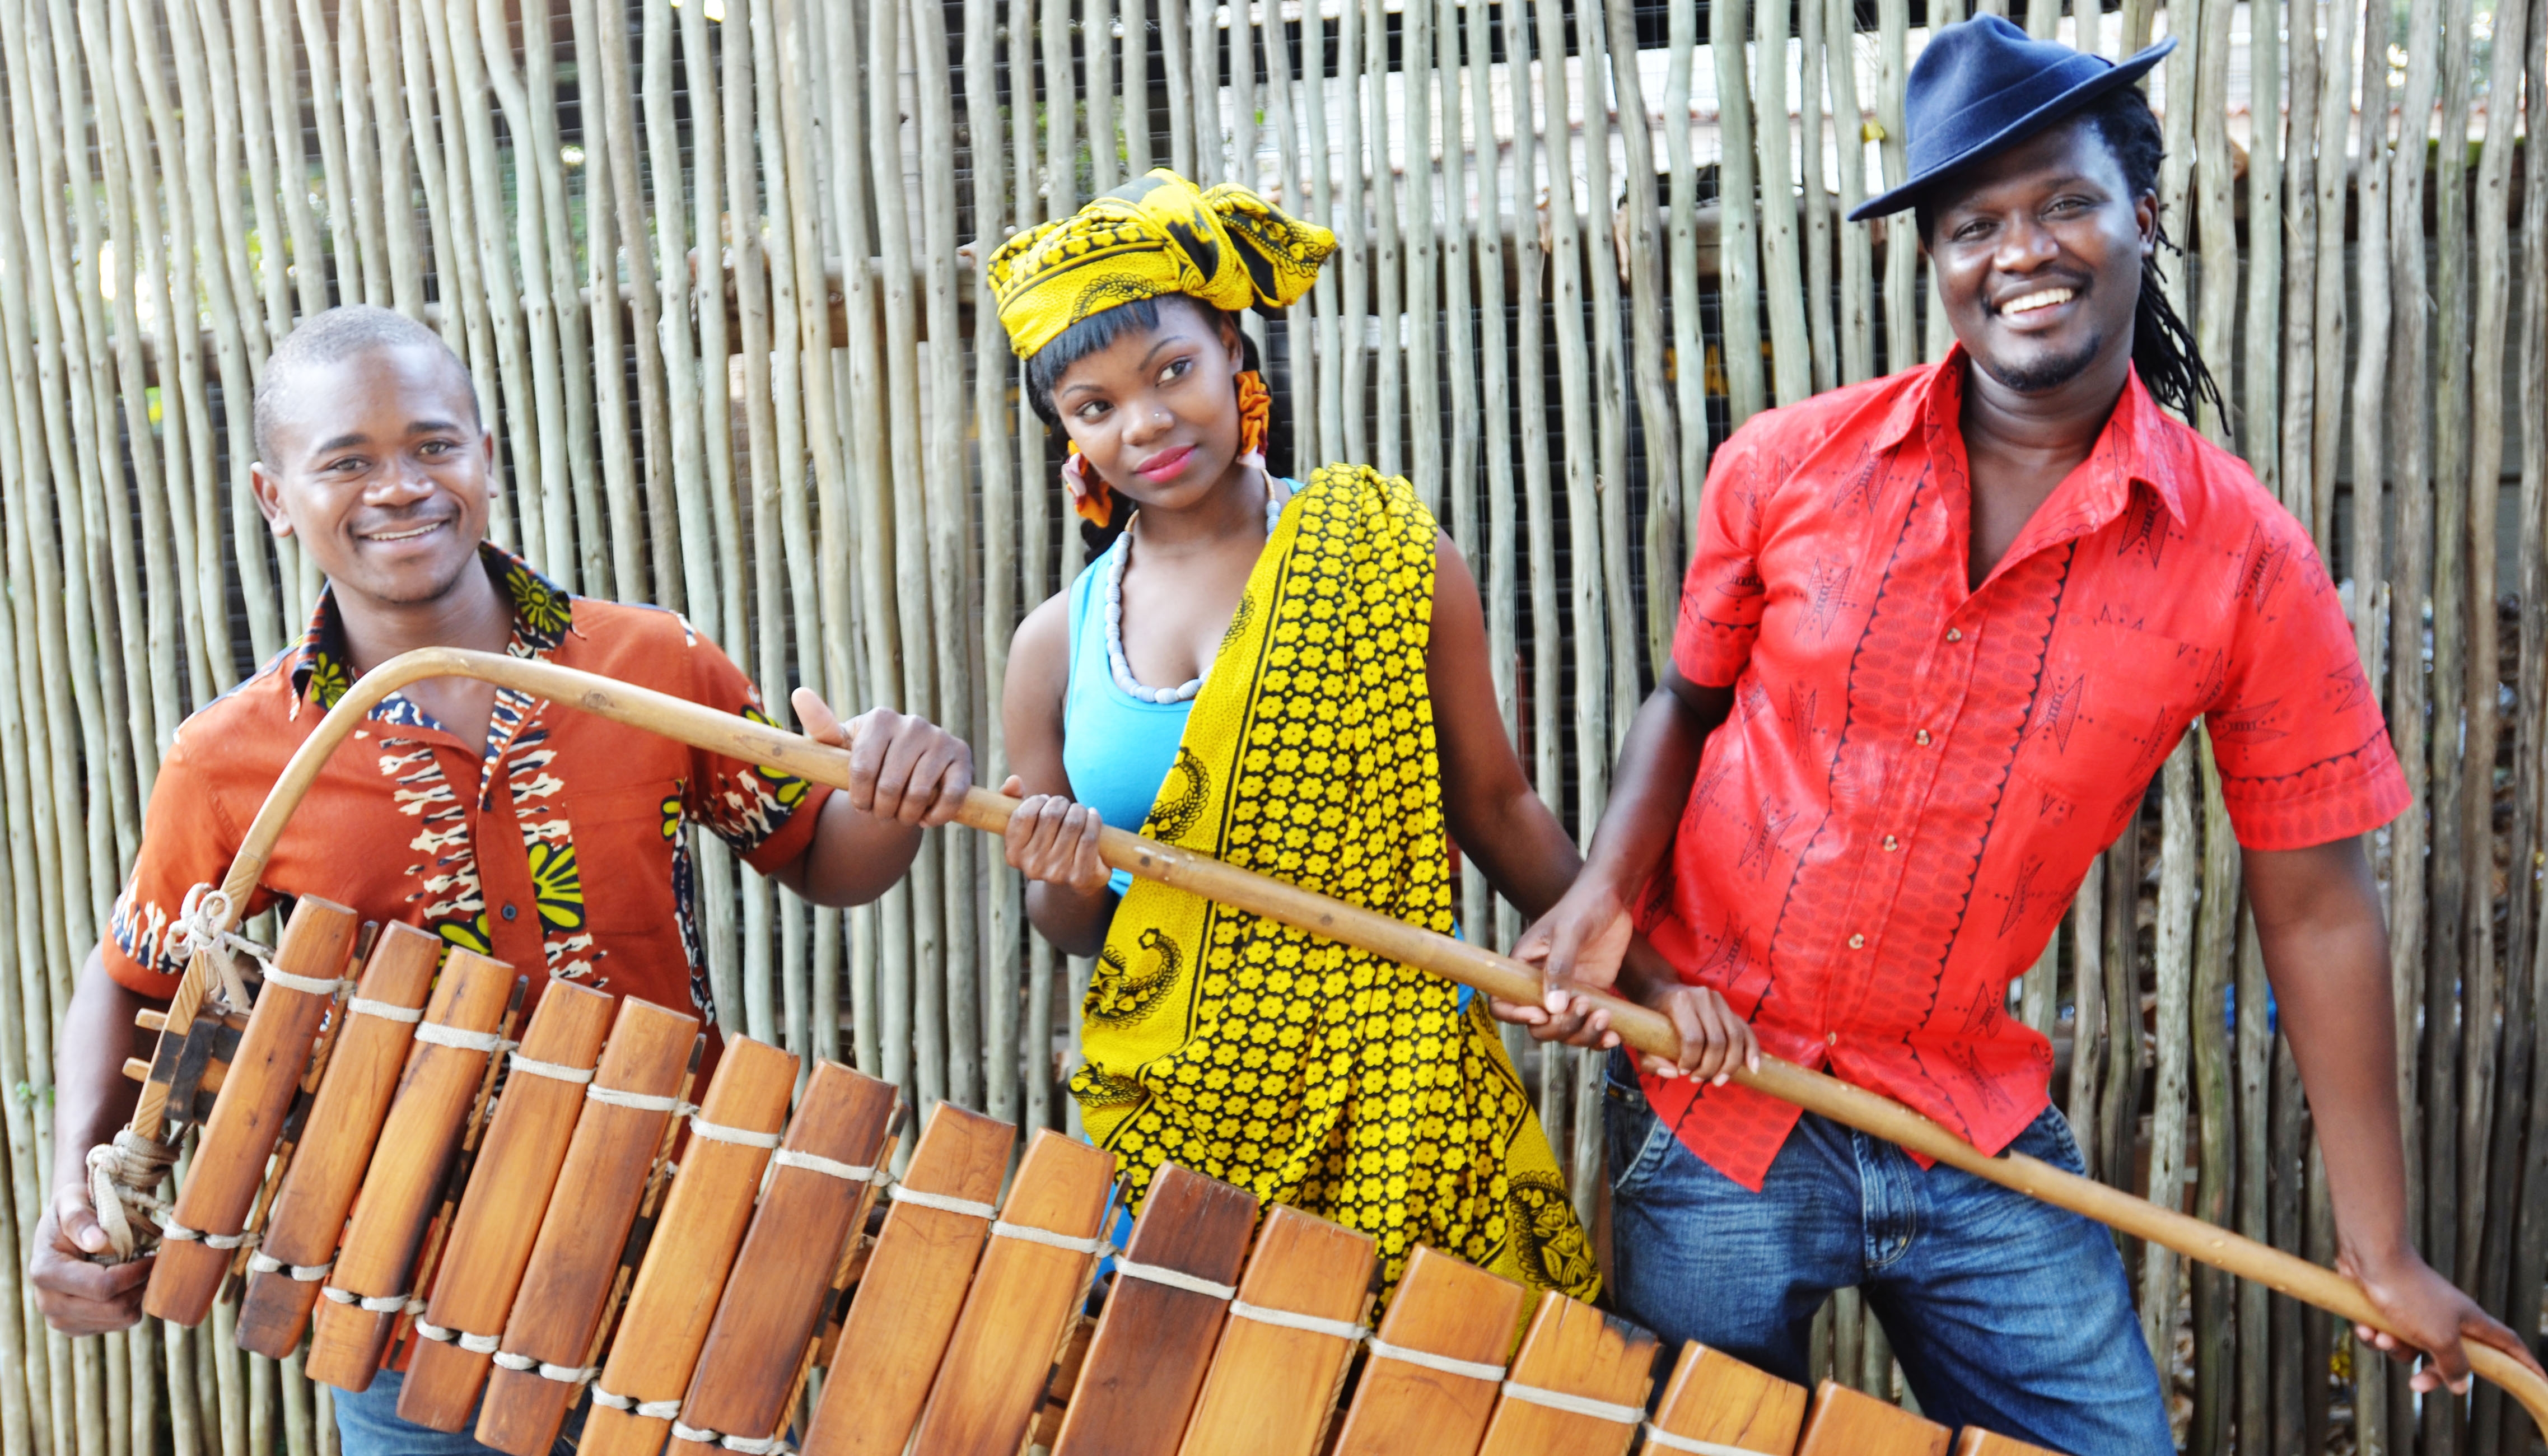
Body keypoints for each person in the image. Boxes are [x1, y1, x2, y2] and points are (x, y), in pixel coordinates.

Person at [1499, 17, 2547, 1453]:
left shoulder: (2242, 559)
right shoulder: (1787, 467)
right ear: (1936, 260)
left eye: (2064, 203)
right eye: (1974, 226)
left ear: (2143, 216)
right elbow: (1688, 700)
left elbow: (2314, 901)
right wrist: (1605, 899)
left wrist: (2381, 1249)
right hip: (1711, 1082)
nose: (2022, 253)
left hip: (1961, 1117)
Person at [27, 305, 973, 1454]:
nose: (400, 487)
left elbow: (820, 858)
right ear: (276, 499)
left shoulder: (653, 664)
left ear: (486, 455)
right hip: (402, 1307)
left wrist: (891, 789)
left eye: (434, 445)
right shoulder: (231, 757)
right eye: (346, 462)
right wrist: (78, 1189)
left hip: (677, 1269)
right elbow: (132, 973)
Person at [984, 170, 1661, 1301]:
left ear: (1232, 350)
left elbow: (1496, 806)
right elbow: (1076, 928)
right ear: (1066, 432)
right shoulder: (1052, 646)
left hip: (1402, 1101)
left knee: (1446, 1382)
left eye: (1172, 371)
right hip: (1188, 1124)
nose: (1144, 424)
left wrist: (1653, 984)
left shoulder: (1381, 550)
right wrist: (1058, 871)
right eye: (1094, 406)